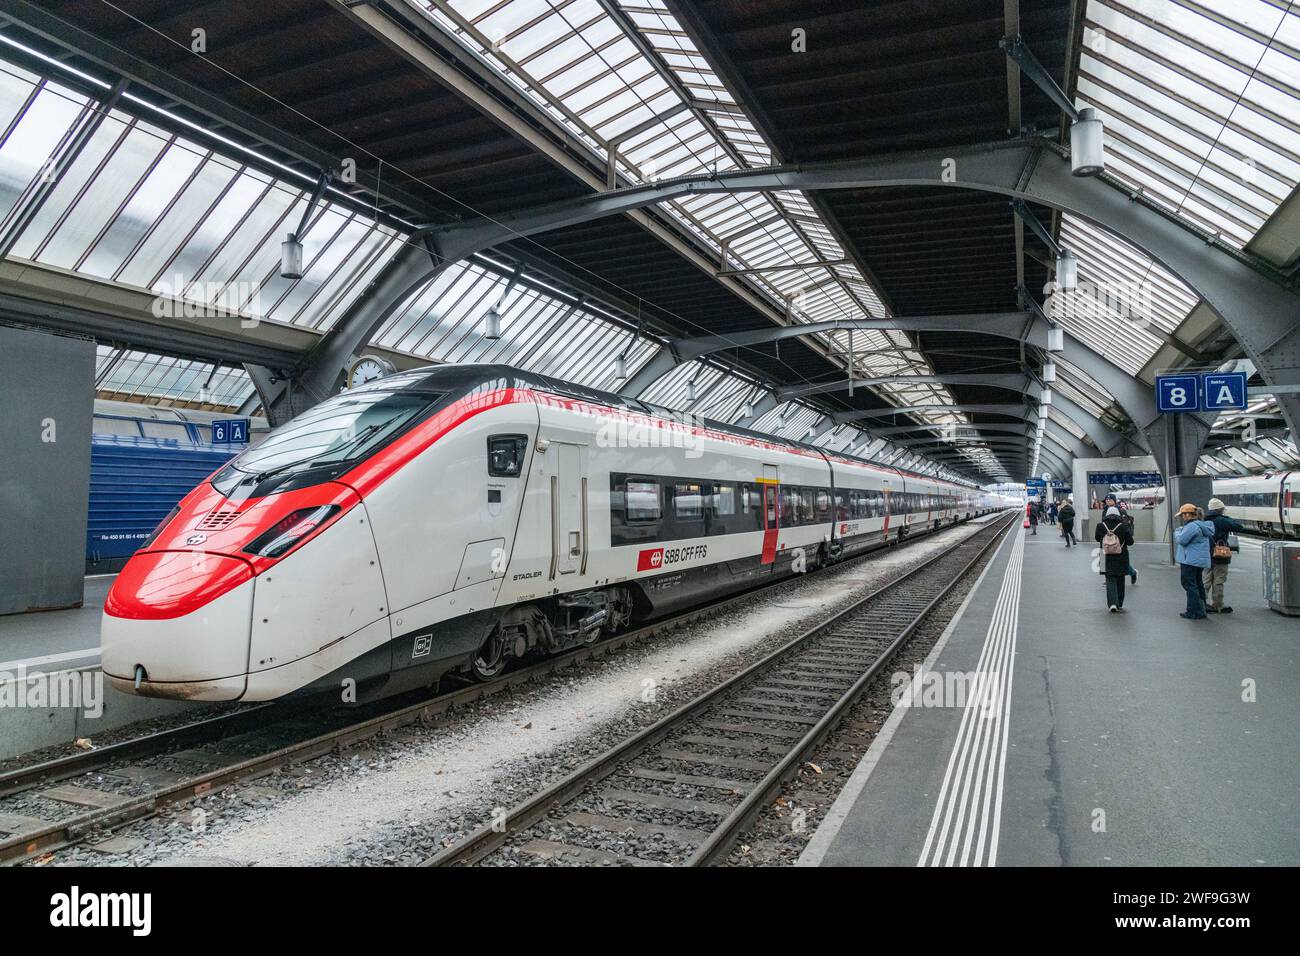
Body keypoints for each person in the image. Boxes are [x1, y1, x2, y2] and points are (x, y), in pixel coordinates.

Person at [1174, 503, 1215, 620]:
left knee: (1189, 584)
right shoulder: (1201, 525)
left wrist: (1178, 531)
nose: (1182, 517)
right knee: (1197, 583)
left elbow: (1182, 540)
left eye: (1183, 515)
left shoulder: (1192, 526)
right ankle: (1202, 608)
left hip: (1189, 560)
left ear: (1188, 515)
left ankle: (1193, 611)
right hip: (1198, 560)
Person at [1203, 497, 1244, 614]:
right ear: (1220, 509)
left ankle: (1201, 602)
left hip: (1207, 554)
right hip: (1220, 554)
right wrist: (1225, 517)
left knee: (1206, 579)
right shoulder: (1221, 520)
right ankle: (1218, 604)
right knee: (1219, 579)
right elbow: (1238, 527)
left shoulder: (1205, 519)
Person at [1095, 506, 1134, 611]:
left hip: (1105, 555)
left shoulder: (1100, 526)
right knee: (1120, 579)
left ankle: (1112, 603)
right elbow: (1130, 542)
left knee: (1109, 579)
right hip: (1121, 555)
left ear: (1107, 514)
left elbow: (1097, 538)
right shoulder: (1124, 526)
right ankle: (1119, 603)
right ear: (1118, 515)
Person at [1103, 493, 1138, 585]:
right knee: (1108, 558)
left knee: (1122, 561)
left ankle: (1133, 572)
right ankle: (1109, 578)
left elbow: (1125, 525)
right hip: (1109, 538)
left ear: (1114, 500)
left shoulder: (1121, 511)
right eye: (1107, 500)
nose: (1108, 501)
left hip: (1120, 539)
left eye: (1110, 499)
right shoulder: (1105, 510)